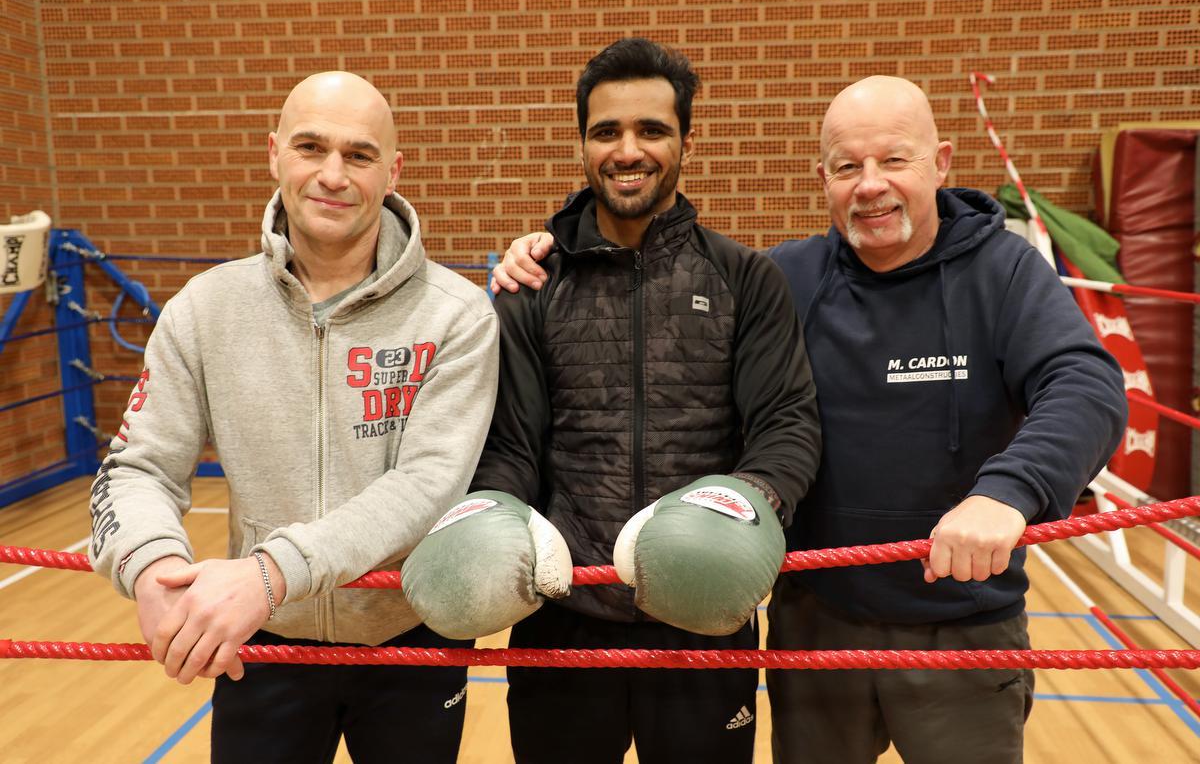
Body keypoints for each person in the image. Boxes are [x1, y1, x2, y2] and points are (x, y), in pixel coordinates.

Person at [492, 75, 1127, 764]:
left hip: (963, 627)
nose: (870, 185)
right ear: (821, 176)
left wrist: (1009, 490)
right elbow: (654, 282)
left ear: (941, 162)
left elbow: (1088, 385)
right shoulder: (781, 279)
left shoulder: (1005, 271)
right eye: (848, 166)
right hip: (816, 621)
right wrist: (552, 241)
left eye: (894, 160)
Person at [416, 38, 820, 764]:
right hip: (563, 620)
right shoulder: (534, 288)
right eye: (607, 132)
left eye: (651, 130)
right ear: (583, 143)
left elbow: (786, 425)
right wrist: (492, 521)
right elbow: (511, 444)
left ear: (686, 142)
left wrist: (743, 509)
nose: (627, 151)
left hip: (703, 618)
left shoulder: (745, 279)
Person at [88, 71, 499, 762]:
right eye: (311, 148)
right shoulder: (205, 308)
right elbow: (137, 468)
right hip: (264, 642)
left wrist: (271, 570)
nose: (332, 174)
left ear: (392, 171)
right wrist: (152, 567)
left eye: (359, 155)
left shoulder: (457, 314)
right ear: (274, 152)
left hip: (411, 637)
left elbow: (429, 486)